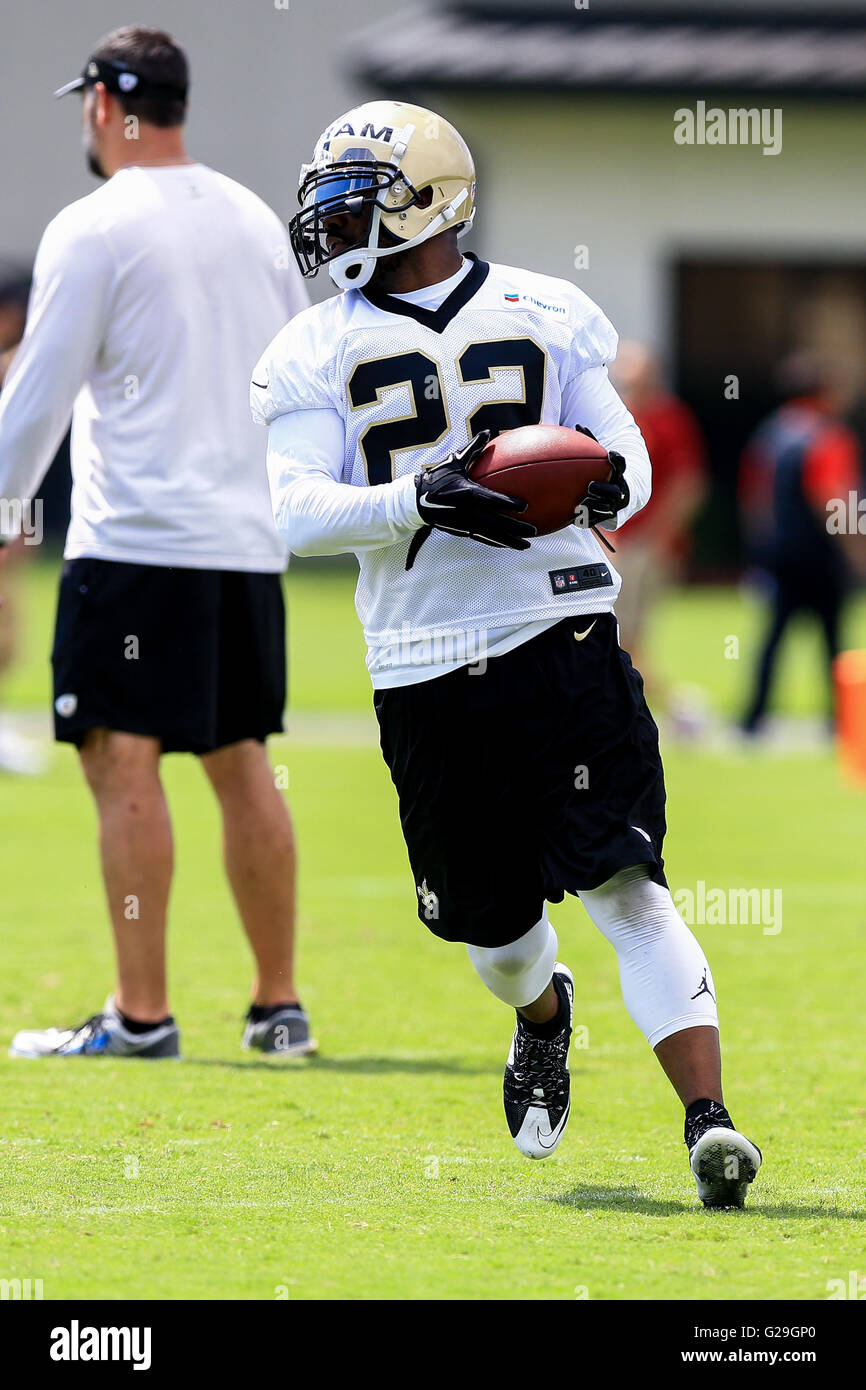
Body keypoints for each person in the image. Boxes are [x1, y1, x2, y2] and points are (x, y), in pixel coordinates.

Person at [251, 100, 761, 1207]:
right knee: (492, 931)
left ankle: (707, 1123)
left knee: (627, 882)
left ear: (424, 200)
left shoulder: (549, 306)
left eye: (357, 198)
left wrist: (598, 480)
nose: (332, 222)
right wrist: (423, 497)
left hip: (563, 627)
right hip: (422, 660)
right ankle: (542, 1015)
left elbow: (616, 451)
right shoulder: (312, 346)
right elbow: (293, 511)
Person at [0, 27, 314, 1059]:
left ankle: (141, 1014)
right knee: (240, 762)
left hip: (133, 540)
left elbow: (36, 395)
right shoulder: (256, 221)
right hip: (244, 541)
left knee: (120, 759)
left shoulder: (91, 227)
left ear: (102, 103)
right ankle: (277, 1008)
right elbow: (302, 374)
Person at [739, 351, 862, 735]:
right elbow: (832, 497)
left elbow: (753, 497)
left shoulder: (769, 434)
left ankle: (753, 719)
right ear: (824, 392)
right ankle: (840, 721)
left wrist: (760, 546)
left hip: (779, 552)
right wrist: (856, 549)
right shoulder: (827, 435)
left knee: (773, 639)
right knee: (833, 640)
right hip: (820, 555)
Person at [608, 341, 708, 690]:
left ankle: (677, 706)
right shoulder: (621, 418)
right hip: (620, 541)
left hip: (645, 544)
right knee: (620, 633)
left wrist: (656, 534)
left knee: (625, 634)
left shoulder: (670, 419)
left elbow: (689, 485)